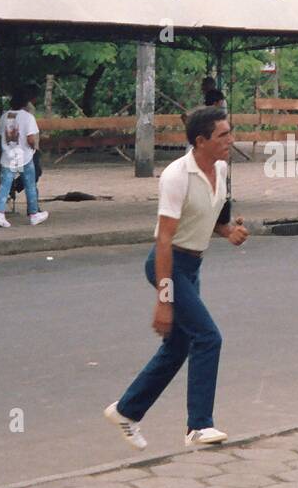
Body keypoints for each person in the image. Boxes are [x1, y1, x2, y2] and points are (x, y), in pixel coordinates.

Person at [105, 107, 249, 450]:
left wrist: (230, 232)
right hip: (169, 264)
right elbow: (164, 239)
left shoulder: (223, 168)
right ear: (201, 141)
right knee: (208, 337)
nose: (230, 140)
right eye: (223, 135)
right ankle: (199, 426)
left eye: (230, 132)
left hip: (192, 264)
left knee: (178, 346)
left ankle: (127, 410)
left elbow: (212, 217)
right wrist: (163, 299)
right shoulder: (175, 176)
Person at [0, 86, 48, 228]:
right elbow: (31, 138)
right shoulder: (28, 117)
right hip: (24, 155)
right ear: (25, 102)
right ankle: (34, 214)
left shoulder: (4, 116)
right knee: (30, 185)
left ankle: (0, 214)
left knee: (5, 186)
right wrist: (34, 147)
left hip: (9, 155)